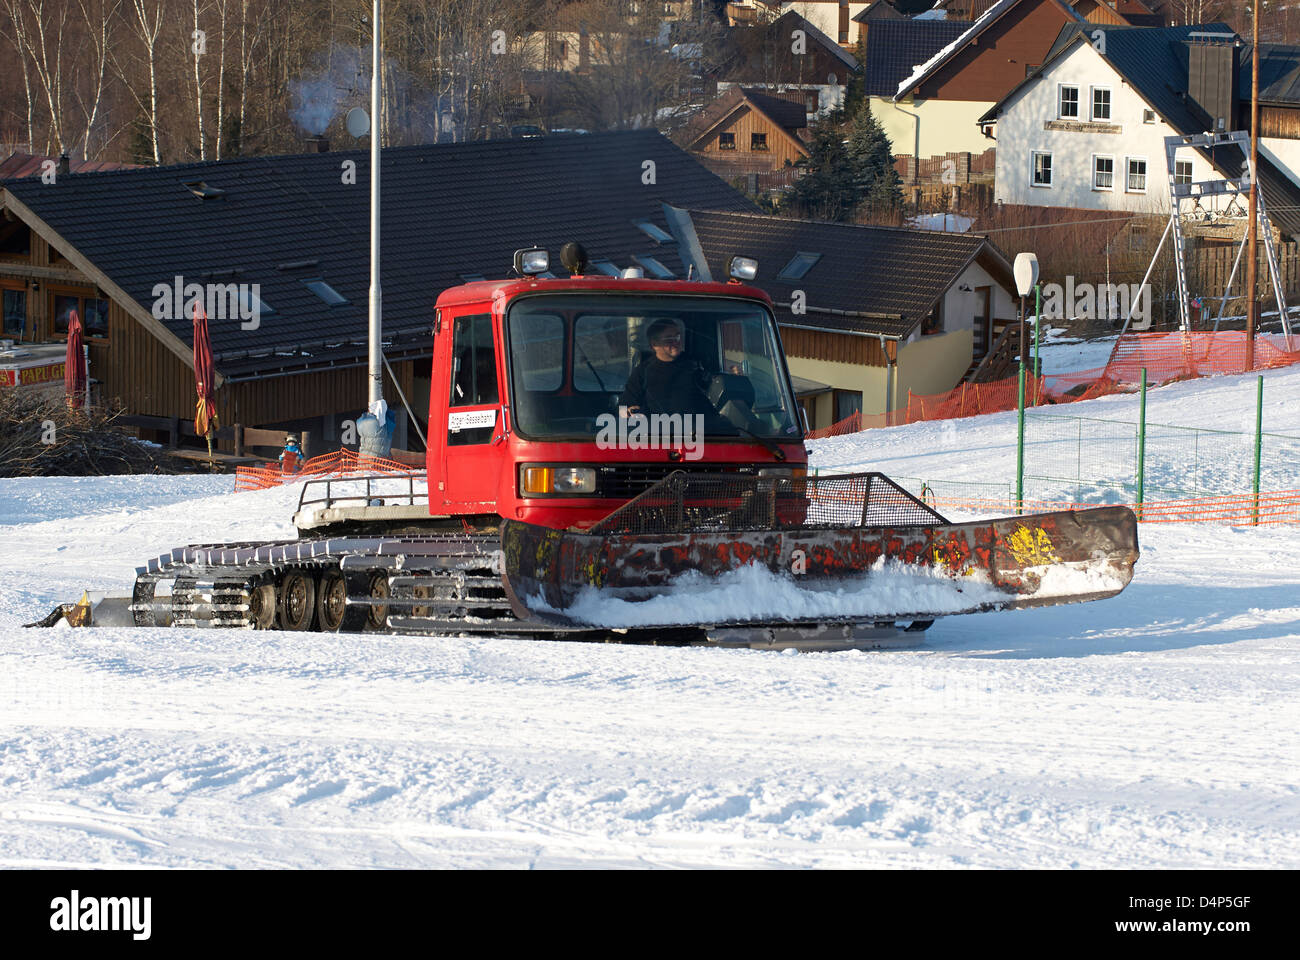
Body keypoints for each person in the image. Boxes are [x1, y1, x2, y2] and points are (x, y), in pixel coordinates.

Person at [621, 318, 714, 417]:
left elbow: (714, 392)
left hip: (697, 429)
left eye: (677, 337)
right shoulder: (642, 372)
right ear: (654, 344)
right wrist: (628, 411)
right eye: (669, 340)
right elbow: (622, 408)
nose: (676, 343)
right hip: (656, 430)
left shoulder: (696, 365)